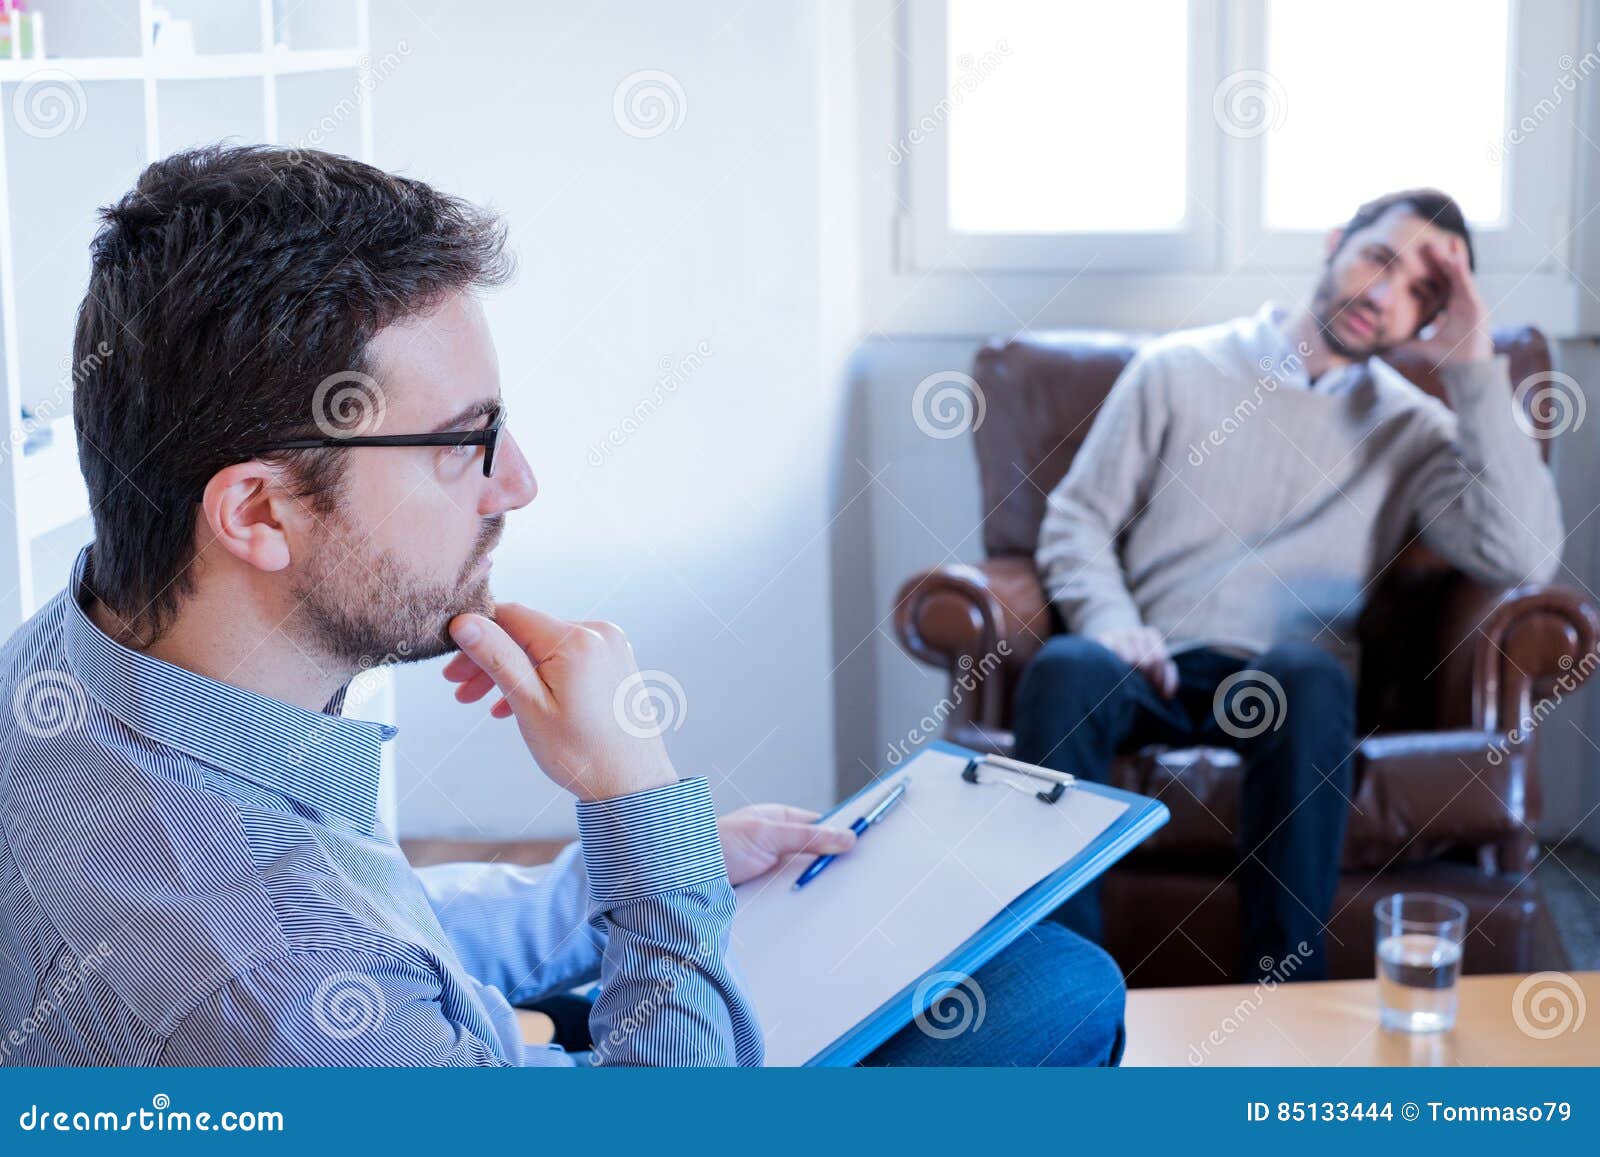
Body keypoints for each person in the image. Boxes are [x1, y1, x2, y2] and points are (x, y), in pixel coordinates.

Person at [0, 145, 1124, 1067]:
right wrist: (636, 800)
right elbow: (307, 967)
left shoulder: (78, 656)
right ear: (258, 510)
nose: (518, 484)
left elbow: (368, 928)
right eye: (463, 443)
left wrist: (619, 879)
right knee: (1058, 989)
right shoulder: (269, 981)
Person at [1016, 188, 1563, 983]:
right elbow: (1076, 520)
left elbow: (1523, 556)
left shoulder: (1414, 431)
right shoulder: (1176, 368)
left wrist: (1474, 366)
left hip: (1286, 690)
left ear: (1430, 320)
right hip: (1150, 666)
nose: (1384, 294)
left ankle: (1280, 1000)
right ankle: (1057, 994)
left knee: (1307, 673)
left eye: (1421, 292)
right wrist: (1110, 621)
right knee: (1065, 666)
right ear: (1336, 243)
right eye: (1378, 259)